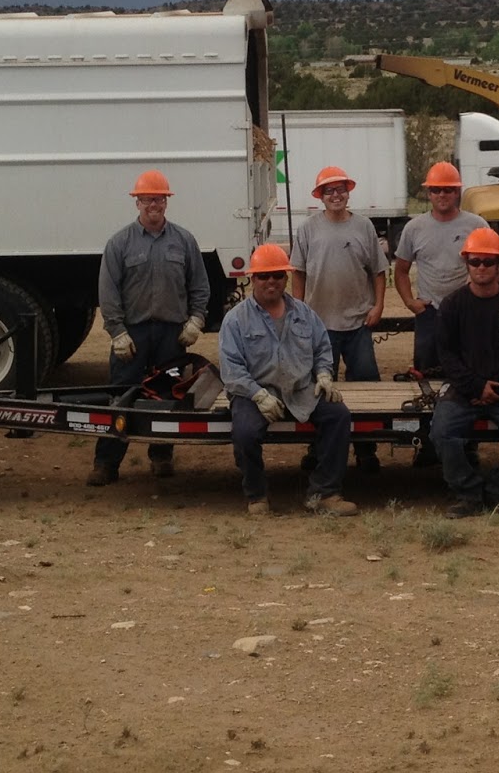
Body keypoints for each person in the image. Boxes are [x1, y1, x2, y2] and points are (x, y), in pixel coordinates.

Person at [218, 243, 359, 517]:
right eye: (263, 276)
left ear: (287, 277)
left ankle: (325, 493)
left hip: (301, 388)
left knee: (338, 416)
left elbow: (322, 348)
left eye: (278, 275)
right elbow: (232, 369)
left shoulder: (304, 314)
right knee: (245, 433)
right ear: (252, 279)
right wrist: (258, 395)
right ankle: (257, 495)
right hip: (254, 392)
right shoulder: (235, 320)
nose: (271, 281)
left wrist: (323, 375)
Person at [88, 169, 209, 487]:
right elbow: (108, 291)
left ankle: (161, 457)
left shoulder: (184, 241)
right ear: (136, 202)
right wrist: (117, 332)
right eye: (146, 199)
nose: (152, 204)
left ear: (166, 202)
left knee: (167, 395)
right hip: (134, 335)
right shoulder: (119, 243)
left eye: (158, 198)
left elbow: (199, 285)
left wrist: (196, 319)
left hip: (172, 336)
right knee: (121, 397)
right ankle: (106, 463)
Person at [429, 227, 499, 519]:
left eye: (488, 262)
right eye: (475, 261)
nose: (481, 267)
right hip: (463, 391)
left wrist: (497, 389)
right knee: (442, 433)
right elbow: (447, 354)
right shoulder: (452, 306)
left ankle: (498, 493)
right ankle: (468, 493)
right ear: (466, 263)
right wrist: (476, 387)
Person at [291, 165, 387, 473]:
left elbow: (379, 271)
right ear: (320, 196)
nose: (336, 195)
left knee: (367, 387)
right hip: (319, 327)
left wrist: (378, 307)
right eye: (329, 191)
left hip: (358, 323)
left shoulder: (364, 227)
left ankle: (366, 450)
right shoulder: (307, 229)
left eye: (341, 189)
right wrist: (299, 312)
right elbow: (299, 274)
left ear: (348, 192)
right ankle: (317, 449)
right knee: (318, 390)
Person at [393, 162, 487, 376]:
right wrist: (410, 302)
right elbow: (401, 271)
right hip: (430, 312)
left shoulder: (476, 225)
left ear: (457, 191)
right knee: (427, 371)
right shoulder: (414, 228)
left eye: (448, 189)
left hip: (468, 311)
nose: (442, 194)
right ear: (429, 193)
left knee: (471, 371)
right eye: (436, 189)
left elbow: (494, 266)